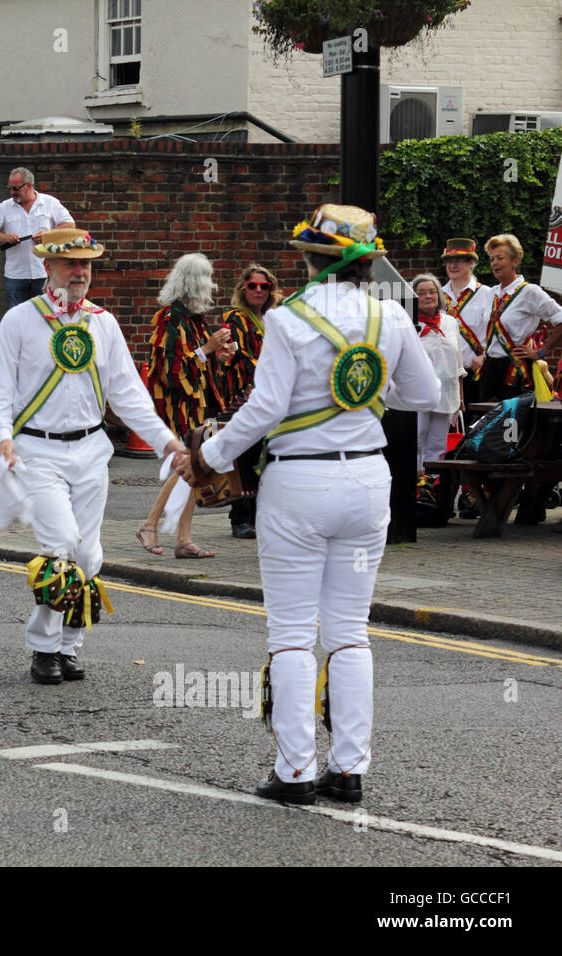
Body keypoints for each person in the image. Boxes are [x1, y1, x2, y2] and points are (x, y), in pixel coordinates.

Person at [178, 204, 441, 804]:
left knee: (293, 635)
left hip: (299, 485)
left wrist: (210, 455)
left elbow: (265, 411)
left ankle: (295, 772)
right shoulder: (389, 317)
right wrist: (367, 389)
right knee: (351, 632)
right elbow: (425, 394)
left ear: (310, 258)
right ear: (366, 262)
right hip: (370, 481)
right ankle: (348, 769)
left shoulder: (288, 319)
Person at [0, 228, 186, 684]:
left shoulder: (103, 322)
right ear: (47, 268)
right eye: (71, 264)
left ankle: (69, 646)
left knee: (88, 557)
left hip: (92, 450)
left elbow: (129, 394)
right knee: (59, 549)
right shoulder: (19, 321)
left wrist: (167, 442)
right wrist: (2, 437)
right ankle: (43, 648)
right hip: (36, 449)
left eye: (87, 265)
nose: (80, 272)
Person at [137, 253, 235, 559]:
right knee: (190, 465)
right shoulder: (171, 320)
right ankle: (151, 524)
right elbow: (170, 373)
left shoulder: (195, 320)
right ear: (193, 283)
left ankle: (182, 537)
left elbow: (200, 363)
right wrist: (207, 349)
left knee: (198, 467)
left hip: (201, 406)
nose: (211, 285)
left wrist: (218, 354)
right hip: (182, 408)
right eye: (206, 278)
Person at [479, 233, 562, 524]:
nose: (495, 263)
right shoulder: (491, 293)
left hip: (516, 371)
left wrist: (540, 350)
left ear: (515, 260)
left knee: (514, 433)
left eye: (501, 258)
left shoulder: (530, 292)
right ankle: (494, 497)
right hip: (491, 369)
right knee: (489, 428)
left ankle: (522, 500)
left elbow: (560, 319)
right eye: (492, 259)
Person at [219, 264, 282, 539]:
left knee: (266, 456)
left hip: (272, 397)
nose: (258, 290)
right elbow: (237, 357)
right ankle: (241, 517)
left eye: (264, 286)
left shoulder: (275, 318)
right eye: (252, 286)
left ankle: (261, 515)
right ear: (243, 289)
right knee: (244, 456)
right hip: (245, 396)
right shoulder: (235, 318)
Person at [0, 167, 76, 308]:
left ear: (29, 185)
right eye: (10, 188)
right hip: (15, 275)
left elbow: (70, 225)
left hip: (45, 272)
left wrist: (49, 235)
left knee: (48, 315)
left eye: (16, 188)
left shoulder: (50, 203)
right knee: (16, 319)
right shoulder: (5, 207)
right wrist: (3, 237)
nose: (12, 192)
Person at [411, 273, 464, 475]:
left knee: (438, 443)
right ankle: (415, 482)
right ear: (414, 297)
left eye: (432, 292)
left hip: (447, 393)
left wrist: (461, 398)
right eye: (422, 293)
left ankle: (433, 484)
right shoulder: (409, 324)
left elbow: (458, 364)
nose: (428, 296)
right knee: (416, 439)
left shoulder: (451, 323)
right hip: (419, 393)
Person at [439, 238, 492, 406]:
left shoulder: (487, 294)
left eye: (459, 261)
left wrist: (484, 356)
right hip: (445, 376)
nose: (452, 265)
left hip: (477, 376)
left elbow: (497, 334)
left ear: (471, 263)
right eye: (449, 261)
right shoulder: (437, 296)